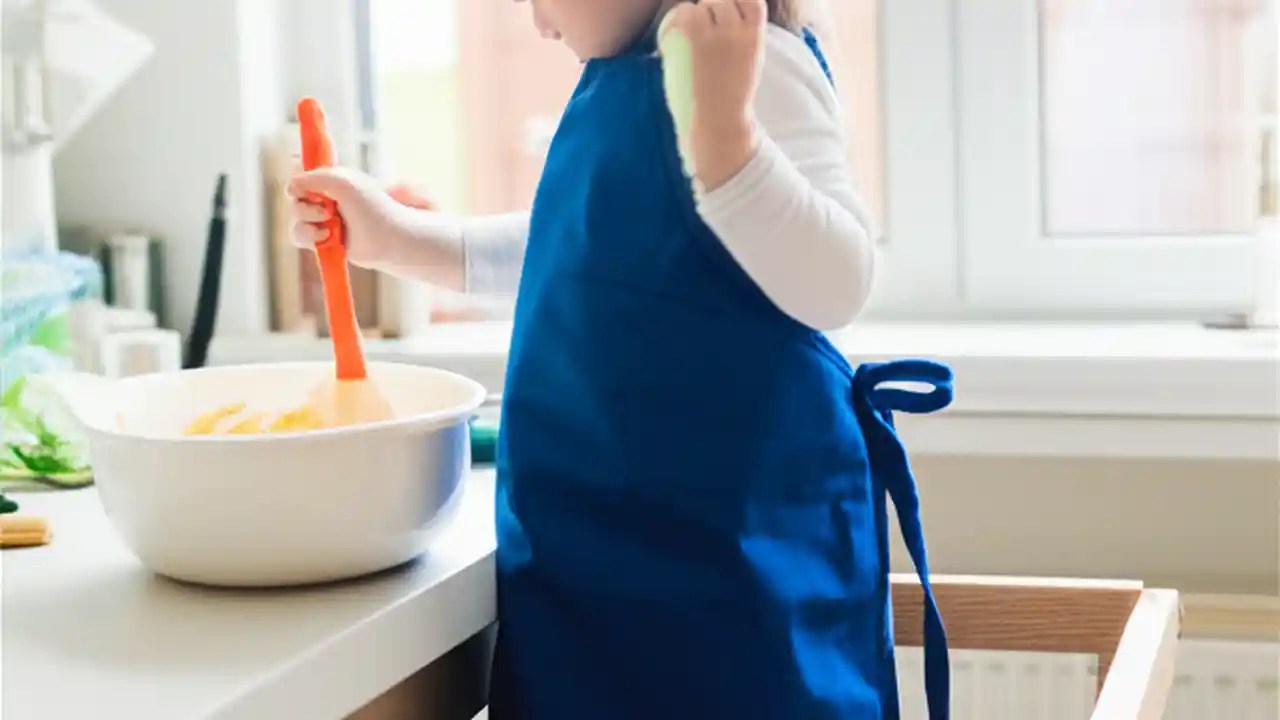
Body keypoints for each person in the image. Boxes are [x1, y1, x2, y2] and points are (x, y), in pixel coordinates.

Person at [289, 1, 953, 717]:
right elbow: (570, 240)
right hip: (591, 572)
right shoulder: (616, 80)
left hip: (731, 582)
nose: (537, 21)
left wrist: (726, 140)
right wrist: (395, 238)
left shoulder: (756, 67)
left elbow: (837, 283)